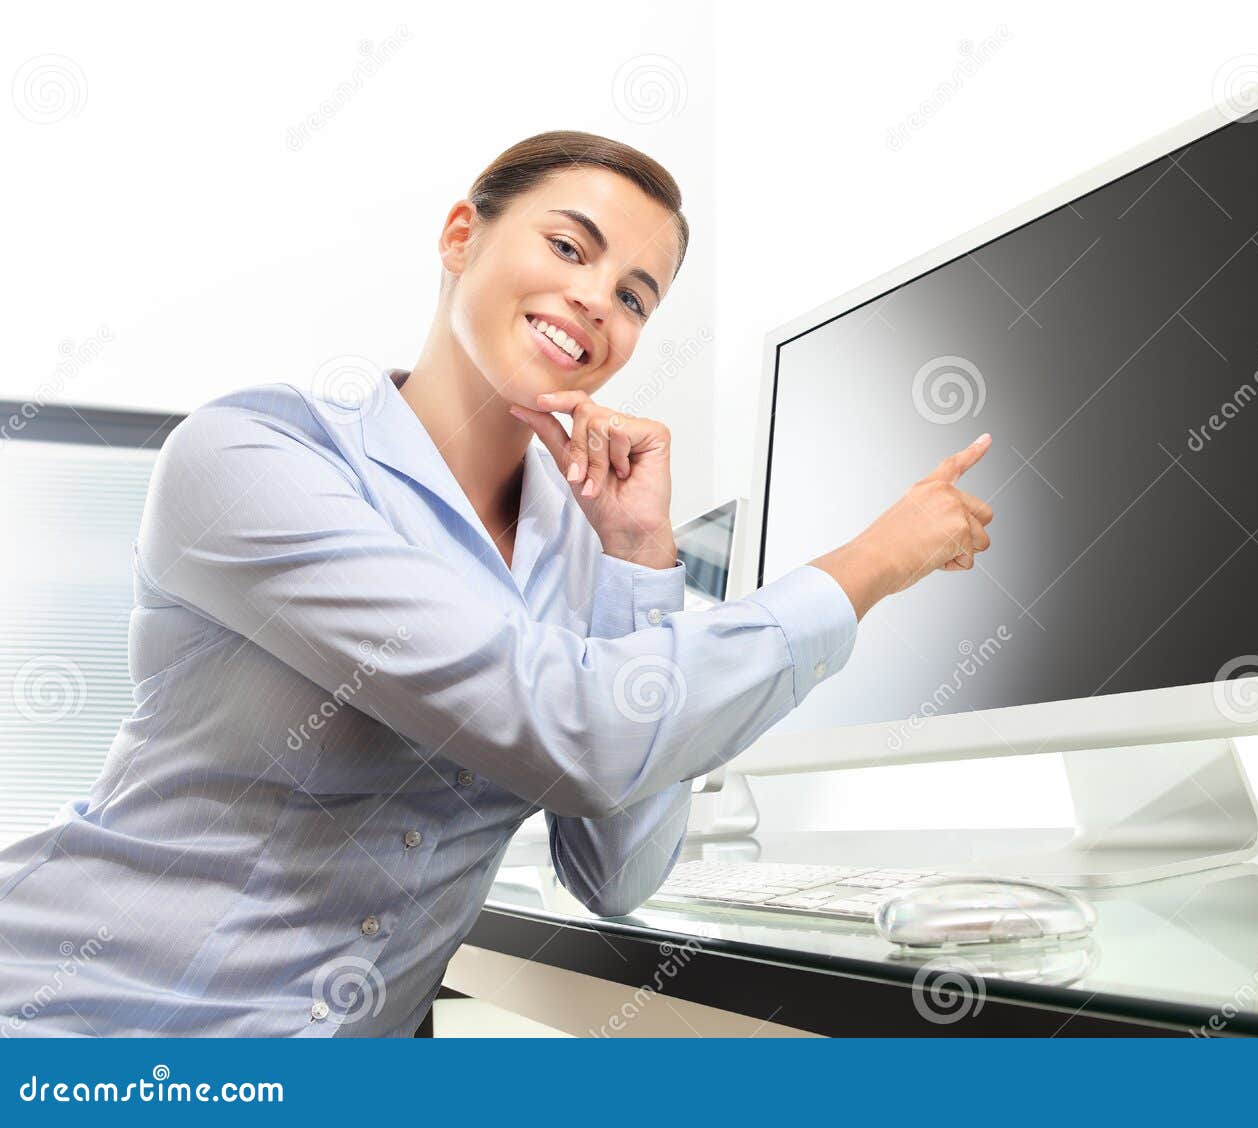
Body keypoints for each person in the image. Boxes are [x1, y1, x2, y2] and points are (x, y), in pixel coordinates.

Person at [0, 131, 994, 1037]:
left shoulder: (577, 550)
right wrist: (870, 564)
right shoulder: (252, 457)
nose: (600, 298)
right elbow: (572, 725)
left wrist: (639, 562)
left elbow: (618, 875)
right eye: (571, 248)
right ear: (460, 236)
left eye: (638, 295)